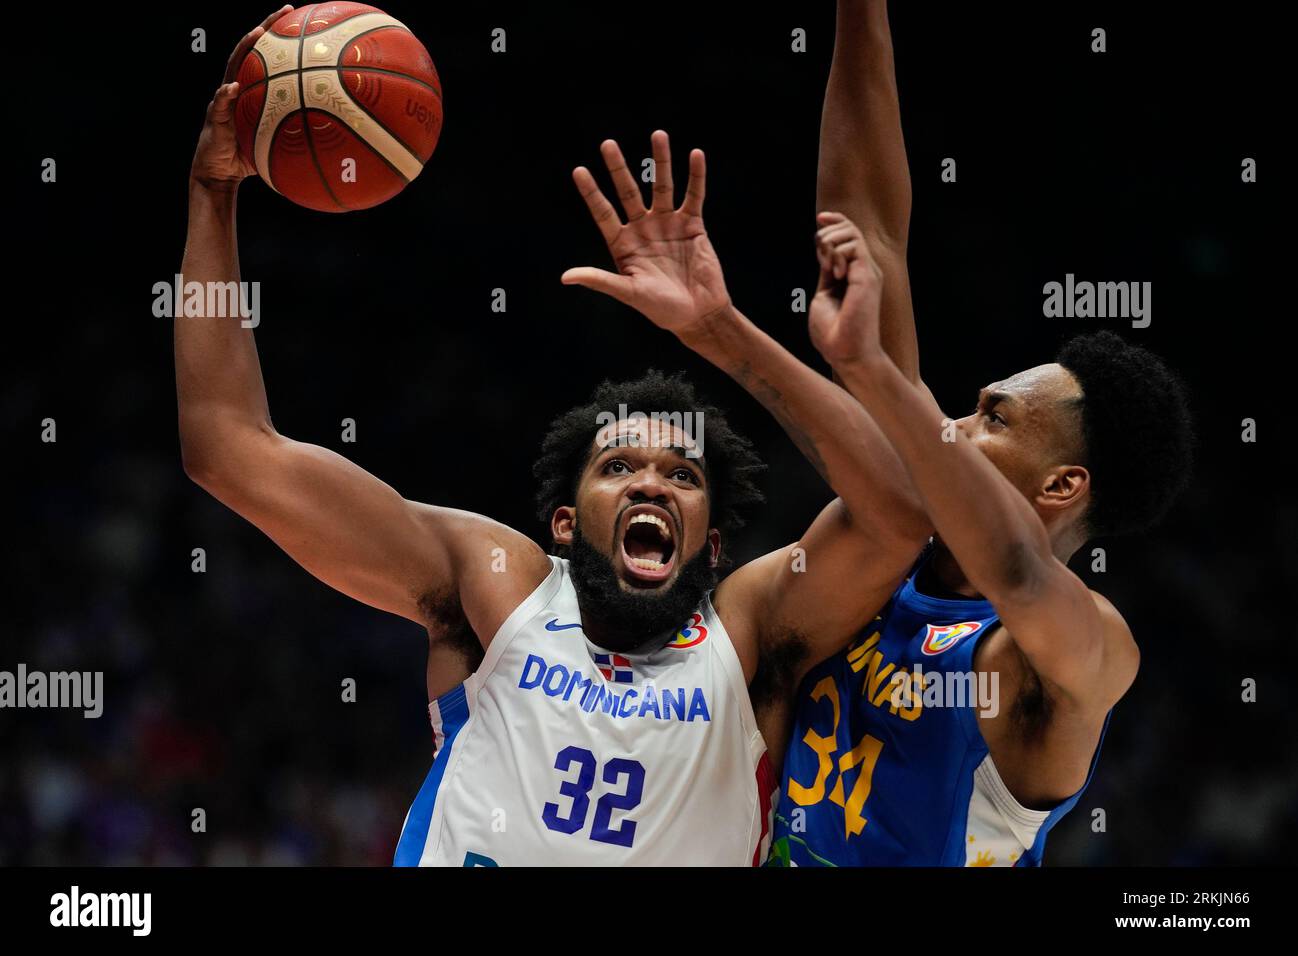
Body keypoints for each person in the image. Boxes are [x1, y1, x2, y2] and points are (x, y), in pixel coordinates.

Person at [179, 9, 931, 866]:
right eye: (618, 466)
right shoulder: (497, 586)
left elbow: (900, 514)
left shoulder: (751, 630)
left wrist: (723, 333)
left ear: (714, 545)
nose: (651, 482)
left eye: (683, 476)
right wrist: (213, 198)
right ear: (565, 525)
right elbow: (230, 450)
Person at [765, 0, 1195, 866]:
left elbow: (1017, 568)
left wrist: (881, 382)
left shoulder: (1082, 648)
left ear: (1062, 486)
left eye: (991, 418)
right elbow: (868, 235)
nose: (954, 425)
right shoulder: (883, 551)